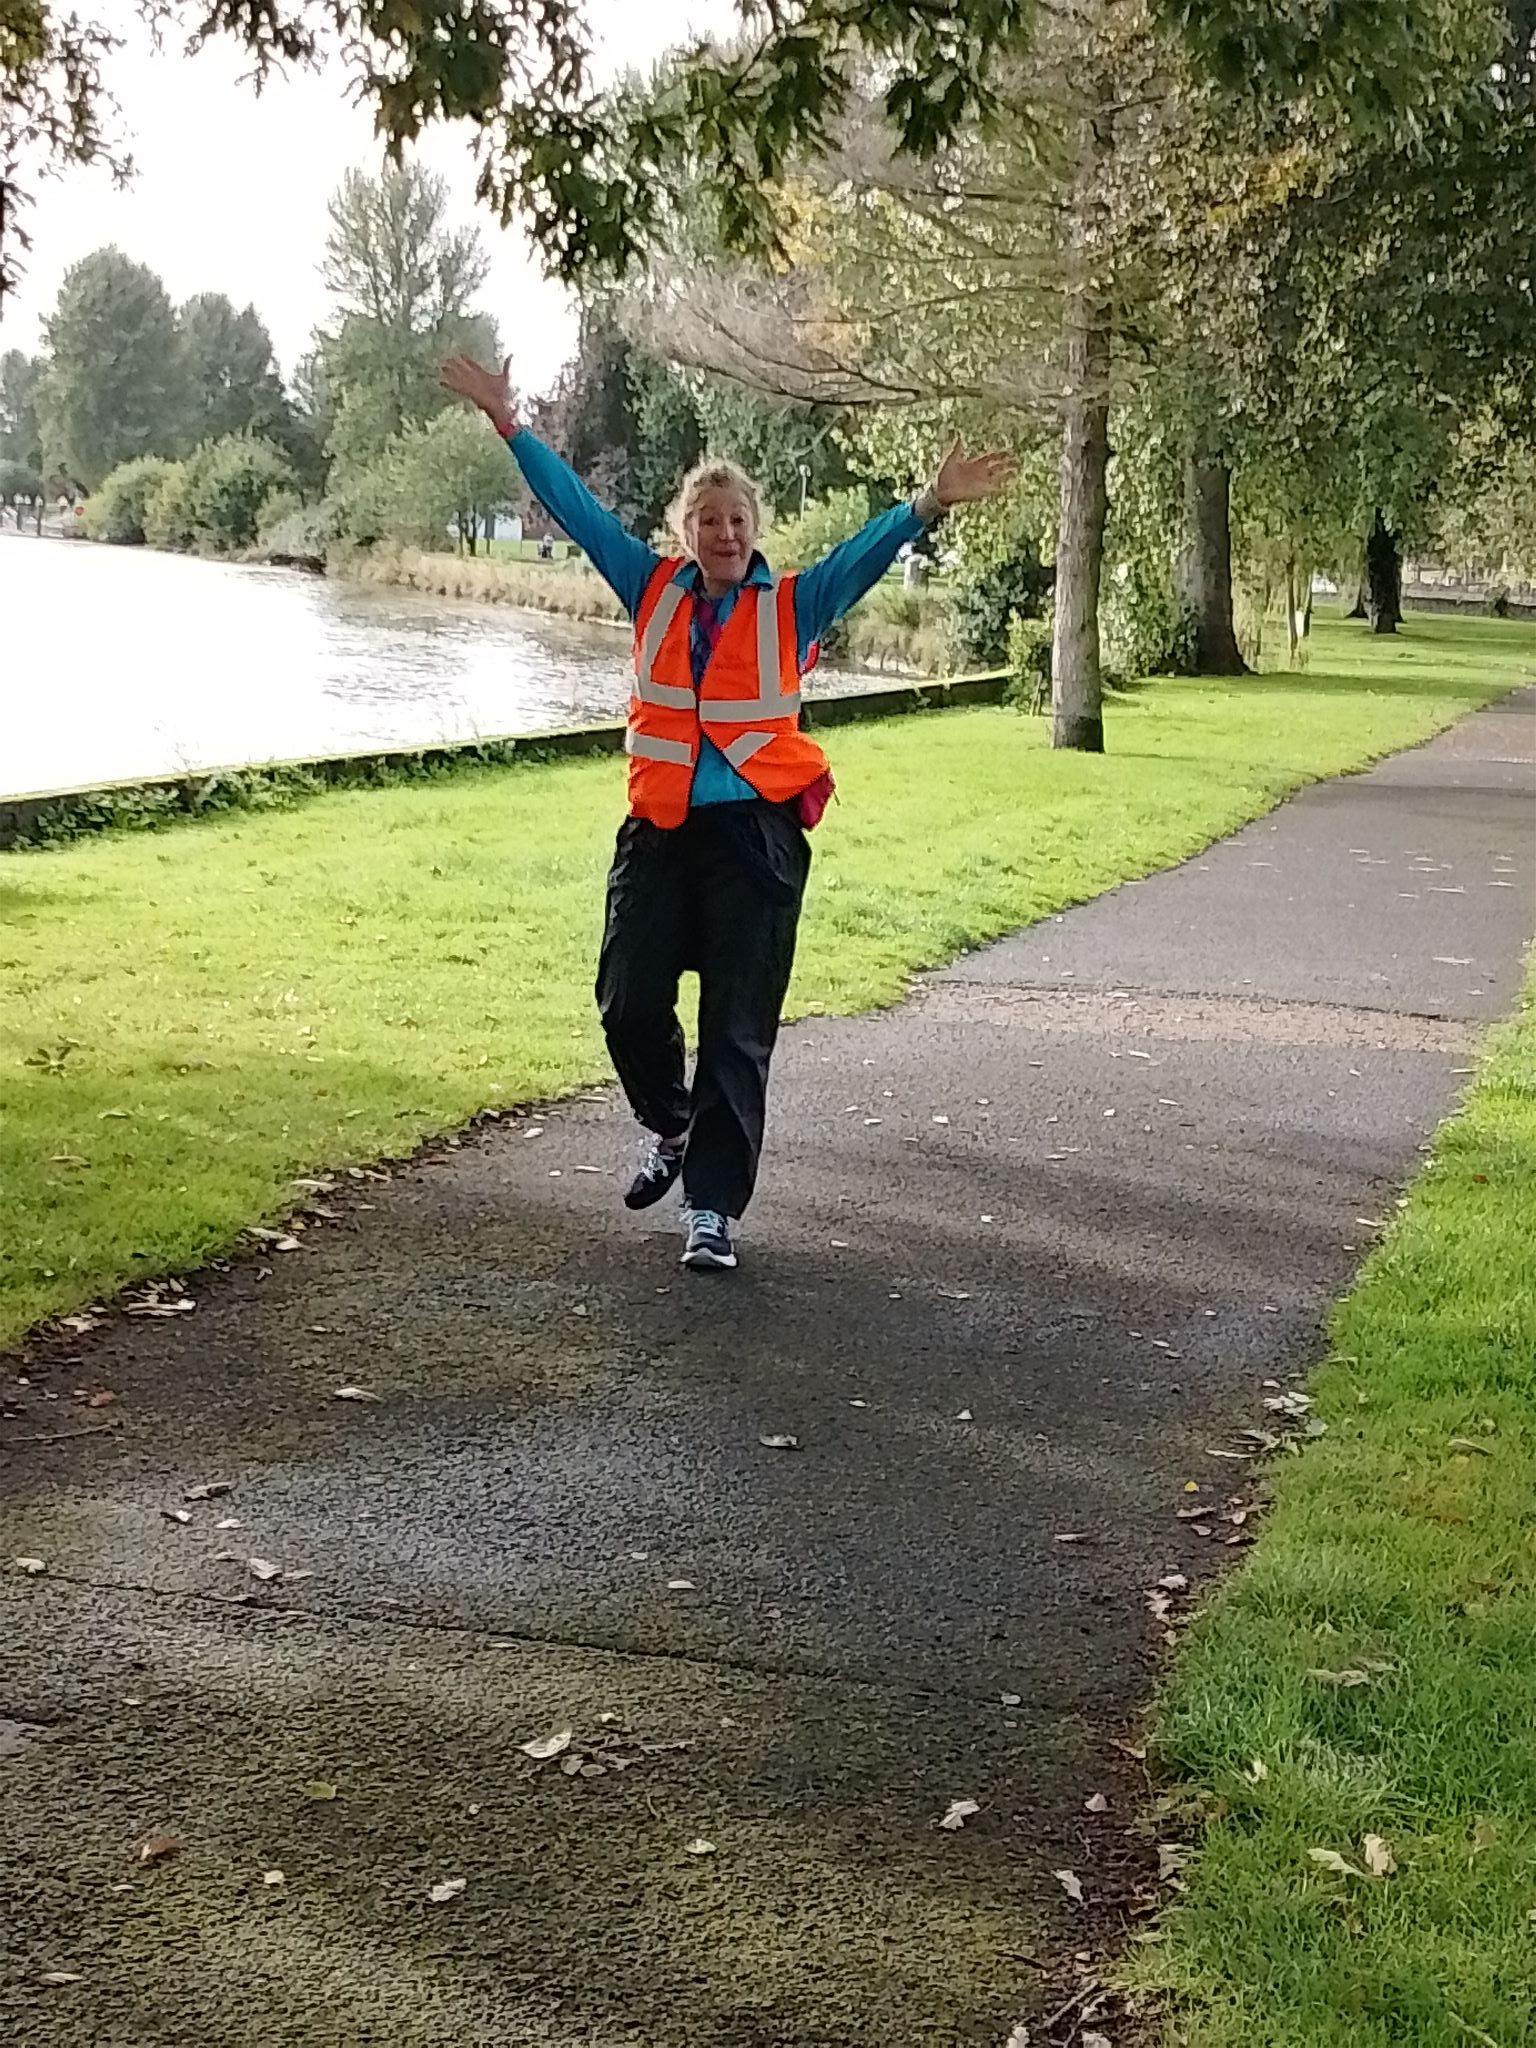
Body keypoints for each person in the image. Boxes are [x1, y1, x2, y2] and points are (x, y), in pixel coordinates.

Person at [441, 352, 1015, 1272]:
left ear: (754, 531)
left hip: (754, 839)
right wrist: (510, 423)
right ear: (684, 531)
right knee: (627, 1004)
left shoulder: (792, 606)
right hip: (660, 833)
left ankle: (712, 1211)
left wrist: (930, 503)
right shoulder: (650, 587)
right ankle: (670, 1128)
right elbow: (582, 516)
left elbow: (864, 555)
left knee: (737, 1031)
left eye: (737, 519)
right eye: (707, 520)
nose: (723, 532)